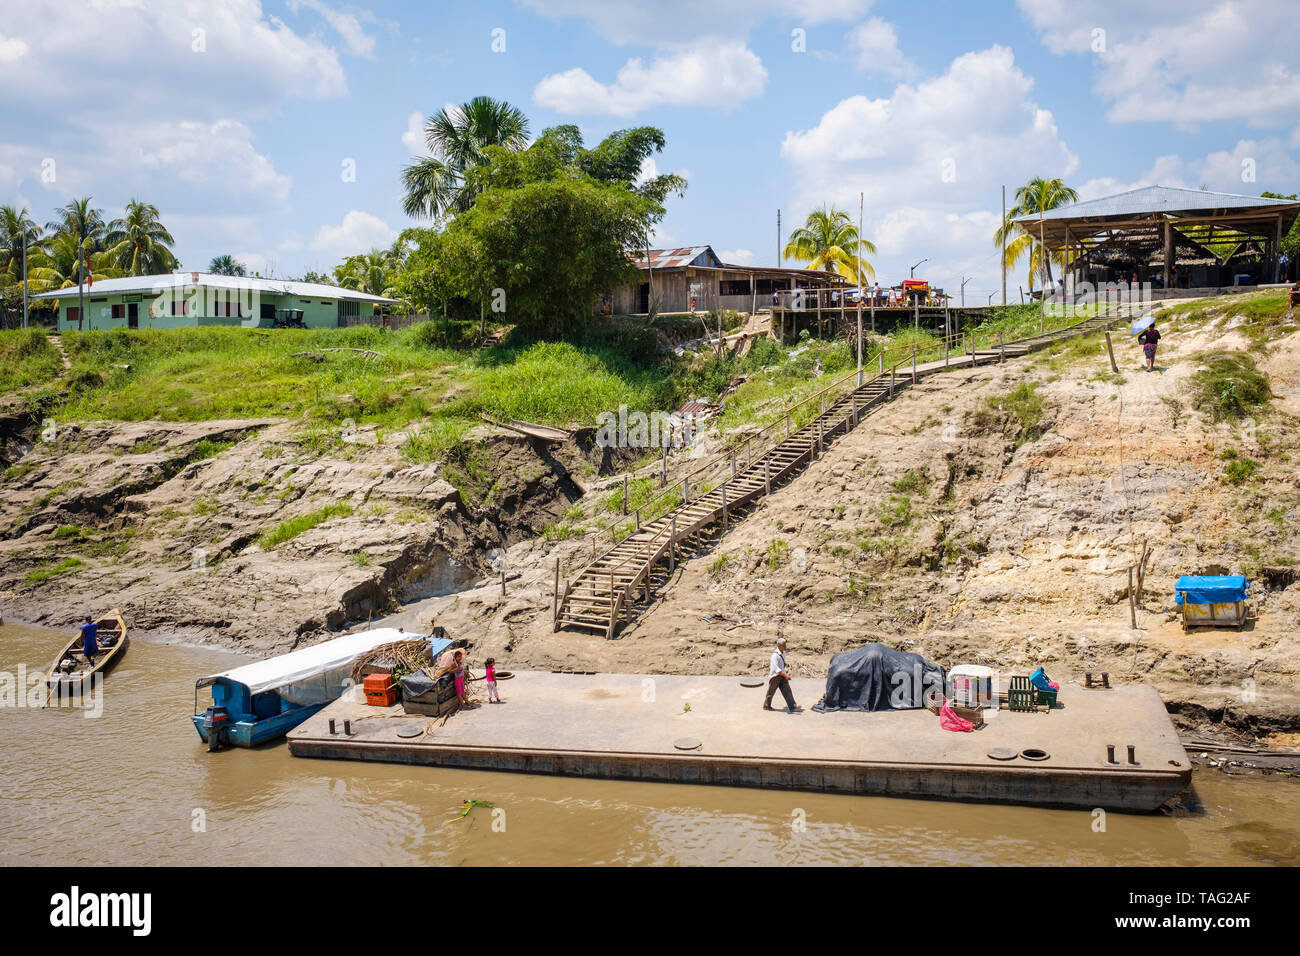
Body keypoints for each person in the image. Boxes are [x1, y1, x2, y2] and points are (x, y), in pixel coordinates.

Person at [763, 637, 801, 712]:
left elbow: (781, 665)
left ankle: (792, 706)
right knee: (771, 692)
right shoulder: (775, 656)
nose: (785, 646)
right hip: (775, 676)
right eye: (784, 645)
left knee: (787, 690)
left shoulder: (783, 653)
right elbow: (777, 669)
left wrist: (784, 673)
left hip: (782, 675)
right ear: (779, 646)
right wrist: (786, 675)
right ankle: (766, 705)